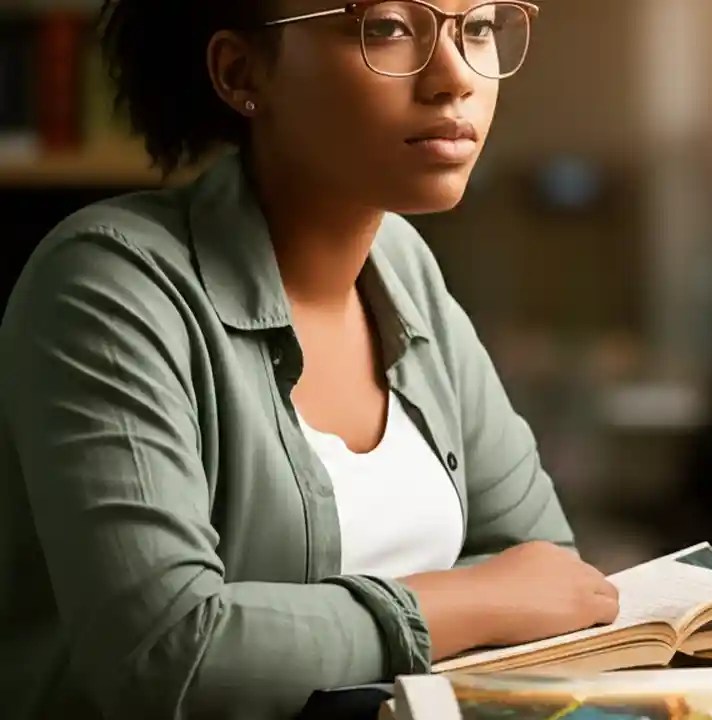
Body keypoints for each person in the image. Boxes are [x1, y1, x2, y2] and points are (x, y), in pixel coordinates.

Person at [0, 1, 621, 718]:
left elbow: (550, 576)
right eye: (388, 26)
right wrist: (470, 600)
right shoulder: (110, 287)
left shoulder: (401, 267)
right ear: (240, 72)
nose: (455, 77)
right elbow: (170, 654)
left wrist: (494, 600)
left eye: (476, 27)